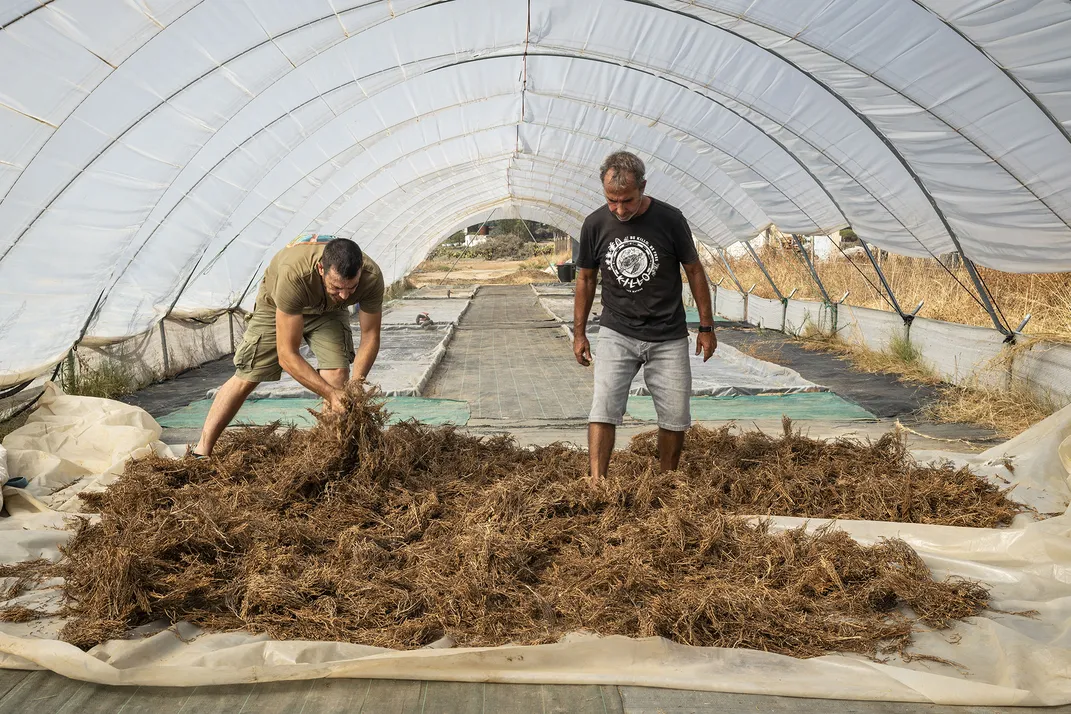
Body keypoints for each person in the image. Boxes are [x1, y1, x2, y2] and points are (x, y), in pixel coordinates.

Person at [573, 151, 717, 480]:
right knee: (603, 407)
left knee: (675, 414)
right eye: (612, 201)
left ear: (643, 187)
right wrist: (579, 333)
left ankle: (666, 480)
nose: (620, 209)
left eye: (628, 200)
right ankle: (597, 483)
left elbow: (694, 271)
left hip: (668, 334)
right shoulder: (595, 224)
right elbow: (585, 278)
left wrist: (706, 327)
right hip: (616, 331)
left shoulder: (670, 219)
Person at [192, 234, 384, 457]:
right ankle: (202, 451)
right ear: (321, 269)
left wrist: (356, 385)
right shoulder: (294, 275)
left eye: (351, 288)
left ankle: (328, 452)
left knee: (338, 372)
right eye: (337, 287)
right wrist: (332, 395)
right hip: (279, 307)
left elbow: (370, 335)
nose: (343, 295)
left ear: (361, 270)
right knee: (249, 375)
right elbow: (287, 354)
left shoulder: (371, 277)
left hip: (328, 312)